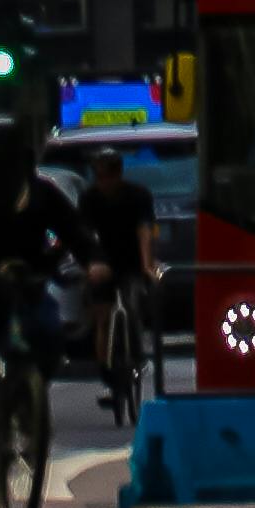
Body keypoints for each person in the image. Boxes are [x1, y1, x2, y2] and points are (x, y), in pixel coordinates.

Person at [0, 115, 77, 465]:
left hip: (29, 288)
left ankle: (26, 398)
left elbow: (73, 230)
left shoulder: (41, 194)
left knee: (49, 334)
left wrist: (94, 260)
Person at [76, 141, 164, 401]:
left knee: (132, 304)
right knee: (102, 317)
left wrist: (147, 265)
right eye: (99, 176)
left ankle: (136, 355)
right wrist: (90, 264)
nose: (104, 182)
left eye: (108, 175)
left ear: (118, 174)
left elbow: (144, 230)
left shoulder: (138, 195)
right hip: (103, 262)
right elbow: (84, 235)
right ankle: (107, 375)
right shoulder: (89, 199)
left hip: (132, 262)